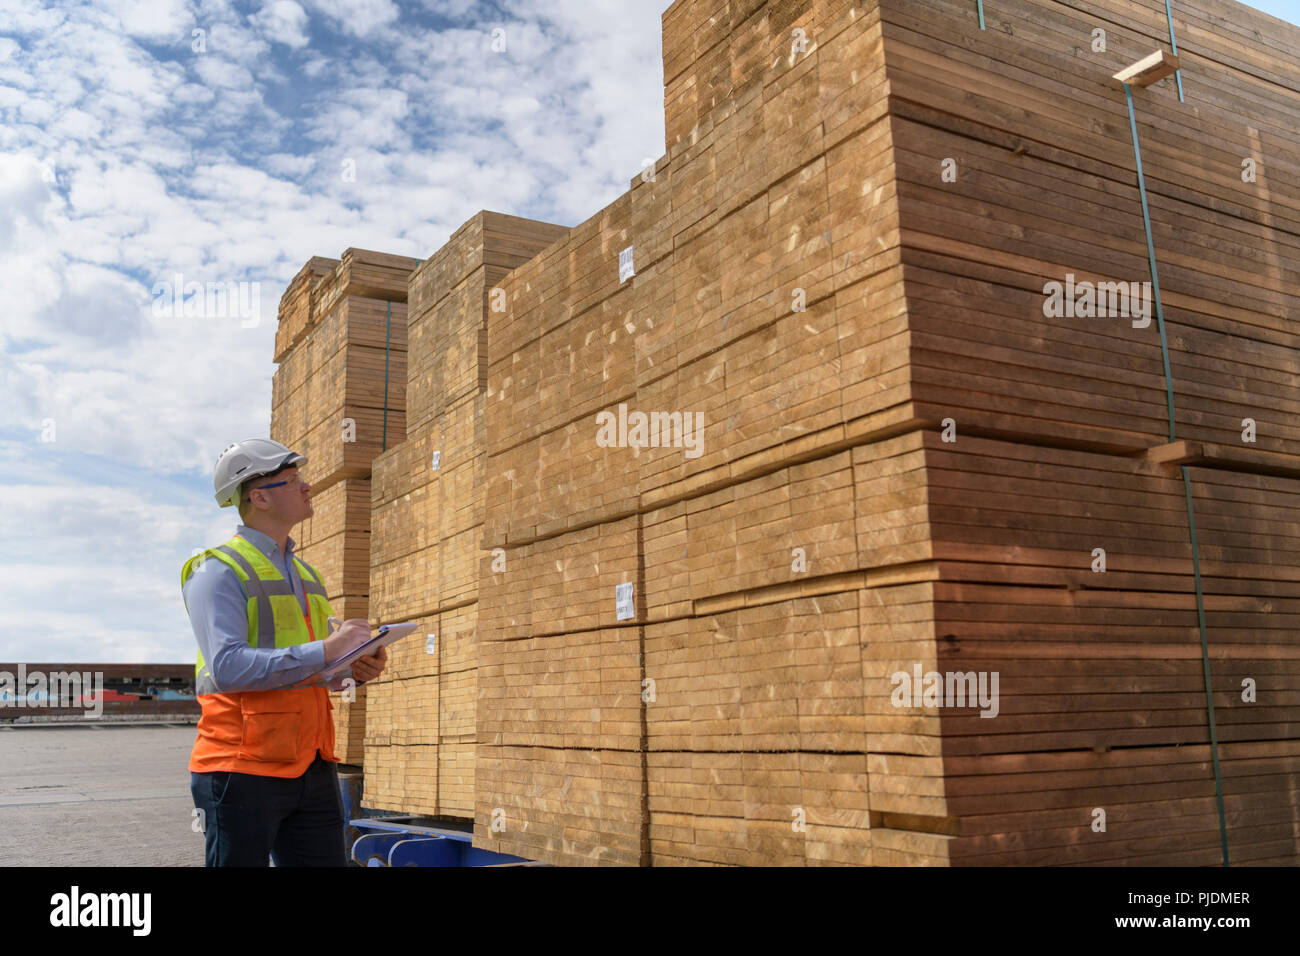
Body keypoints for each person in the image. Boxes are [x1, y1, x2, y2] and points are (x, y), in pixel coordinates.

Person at [182, 437, 387, 866]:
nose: (308, 486)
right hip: (240, 767)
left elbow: (311, 669)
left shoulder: (306, 574)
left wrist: (352, 669)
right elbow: (227, 668)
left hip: (311, 763)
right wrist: (327, 650)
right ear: (258, 496)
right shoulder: (216, 572)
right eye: (293, 480)